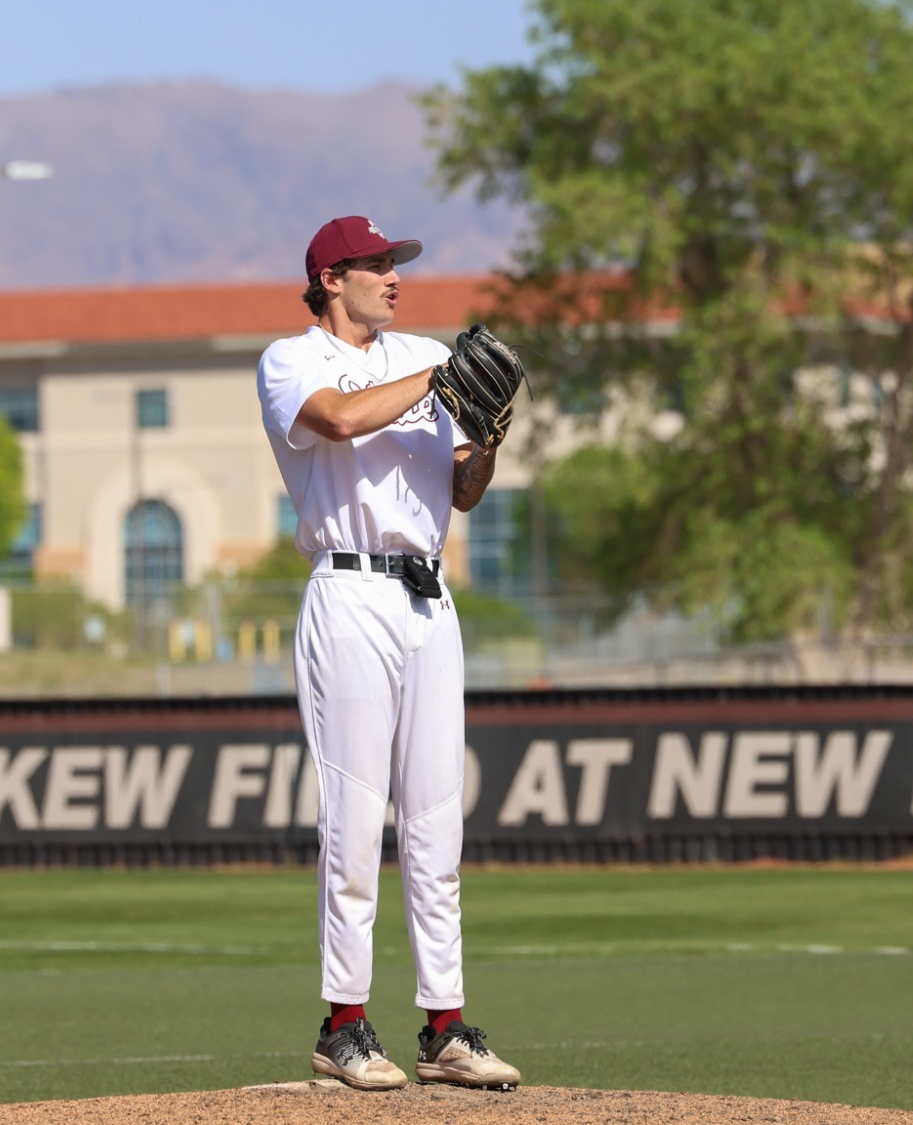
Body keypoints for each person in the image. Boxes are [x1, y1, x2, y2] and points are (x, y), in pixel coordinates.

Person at [256, 215, 520, 1091]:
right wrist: (439, 376)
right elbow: (335, 420)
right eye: (374, 264)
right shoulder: (293, 359)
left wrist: (486, 440)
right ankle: (342, 1024)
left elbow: (464, 491)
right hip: (348, 589)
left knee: (437, 819)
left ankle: (444, 1025)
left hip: (426, 595)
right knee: (356, 815)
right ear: (331, 278)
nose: (392, 276)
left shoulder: (422, 355)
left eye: (394, 263)